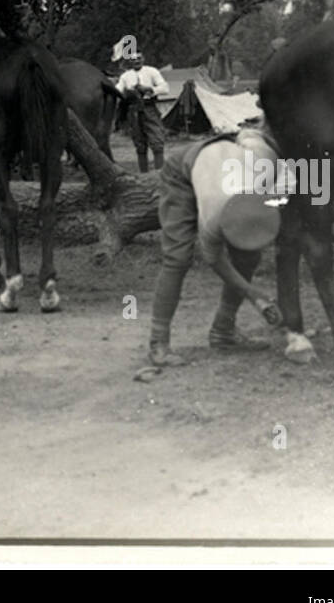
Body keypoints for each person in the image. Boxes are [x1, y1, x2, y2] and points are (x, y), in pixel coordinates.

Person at [136, 125, 287, 375]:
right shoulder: (215, 213)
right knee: (178, 258)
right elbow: (213, 258)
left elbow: (250, 134)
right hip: (182, 172)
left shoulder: (267, 166)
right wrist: (252, 293)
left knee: (249, 255)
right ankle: (158, 344)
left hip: (222, 160)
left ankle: (223, 332)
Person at [117, 50, 169, 172]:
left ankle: (159, 174)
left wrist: (149, 89)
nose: (136, 61)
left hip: (149, 107)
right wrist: (127, 92)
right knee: (140, 144)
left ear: (143, 59)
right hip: (133, 110)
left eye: (139, 58)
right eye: (133, 59)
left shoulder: (152, 71)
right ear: (130, 61)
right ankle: (144, 175)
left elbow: (165, 88)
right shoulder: (125, 76)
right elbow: (118, 89)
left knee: (157, 142)